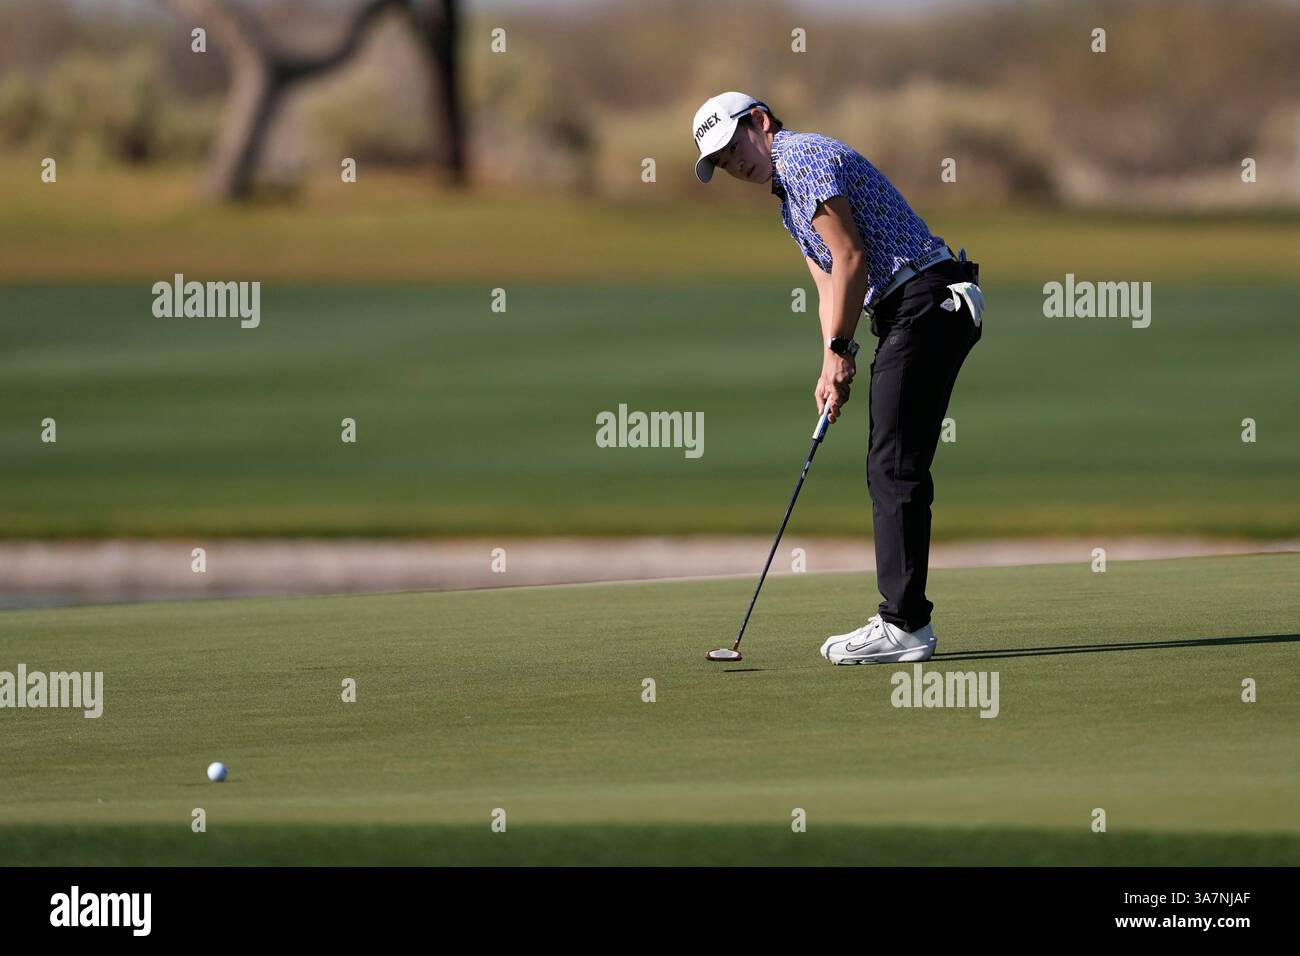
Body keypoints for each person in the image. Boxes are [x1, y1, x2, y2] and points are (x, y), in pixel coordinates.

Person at [692, 91, 985, 665]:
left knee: (893, 464)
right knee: (895, 461)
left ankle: (904, 626)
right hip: (915, 308)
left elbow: (851, 258)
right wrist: (831, 366)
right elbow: (829, 282)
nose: (736, 165)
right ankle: (905, 621)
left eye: (734, 148)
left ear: (760, 120)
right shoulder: (788, 196)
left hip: (926, 301)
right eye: (724, 163)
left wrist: (841, 349)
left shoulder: (801, 157)